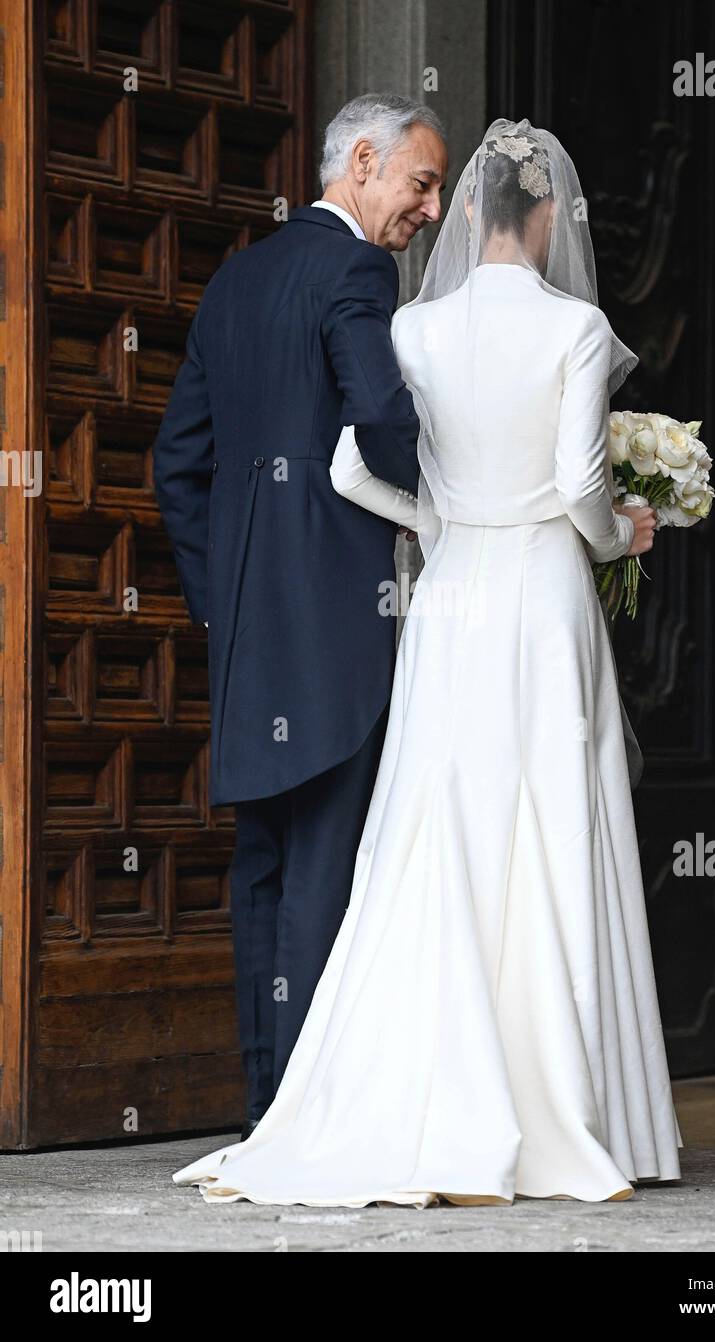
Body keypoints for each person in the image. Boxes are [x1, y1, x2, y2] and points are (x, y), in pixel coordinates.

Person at [172, 118, 683, 1206]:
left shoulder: (413, 325)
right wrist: (622, 533)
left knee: (426, 830)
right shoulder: (577, 326)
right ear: (548, 217)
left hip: (450, 599)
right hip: (542, 592)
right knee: (550, 816)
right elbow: (583, 485)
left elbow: (354, 465)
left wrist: (443, 522)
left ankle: (333, 1095)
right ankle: (571, 1106)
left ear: (468, 213)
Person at [153, 93, 447, 1140]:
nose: (430, 208)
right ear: (361, 162)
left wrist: (219, 599)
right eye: (419, 182)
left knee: (265, 869)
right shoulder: (355, 271)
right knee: (324, 866)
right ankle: (306, 1119)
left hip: (249, 643)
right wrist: (454, 518)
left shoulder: (234, 280)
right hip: (336, 629)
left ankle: (265, 1103)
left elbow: (175, 465)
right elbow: (378, 416)